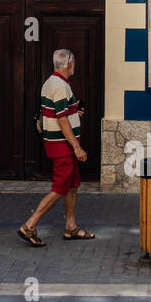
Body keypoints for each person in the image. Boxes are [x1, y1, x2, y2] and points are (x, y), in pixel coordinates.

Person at [18, 49, 95, 246]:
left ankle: (71, 227)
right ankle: (30, 225)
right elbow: (61, 120)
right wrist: (77, 147)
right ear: (68, 63)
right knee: (60, 187)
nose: (75, 65)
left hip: (60, 144)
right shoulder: (60, 86)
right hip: (62, 146)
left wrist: (74, 111)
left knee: (72, 185)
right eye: (74, 61)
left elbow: (60, 112)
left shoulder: (52, 83)